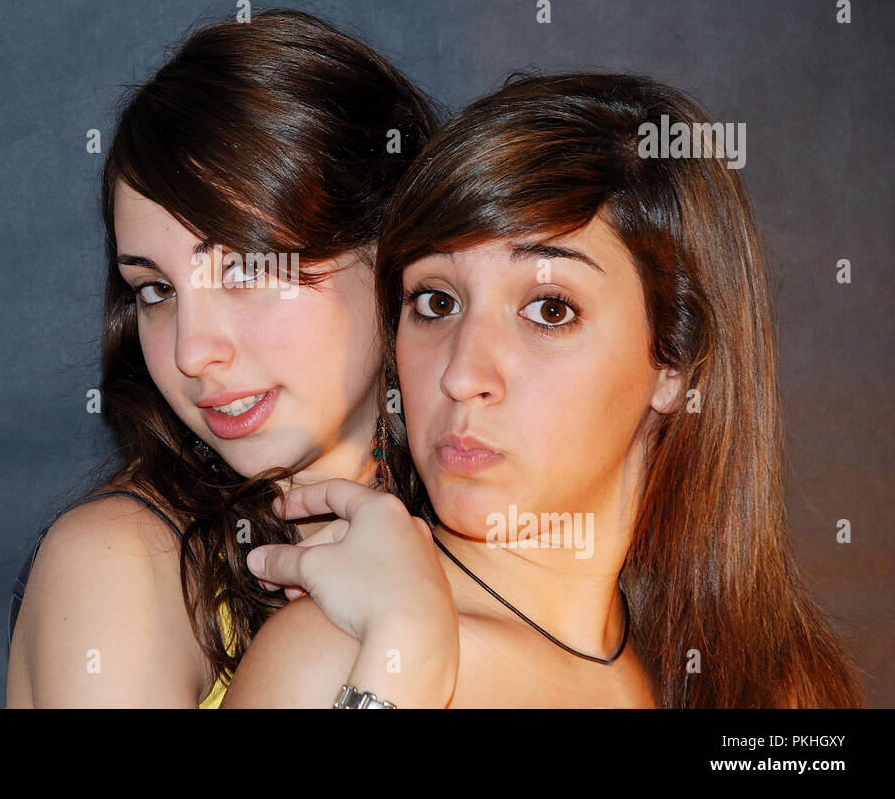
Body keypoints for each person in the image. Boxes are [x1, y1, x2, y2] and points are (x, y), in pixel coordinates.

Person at [230, 72, 867, 708]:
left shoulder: (779, 690)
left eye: (549, 311)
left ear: (676, 362)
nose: (461, 375)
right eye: (436, 301)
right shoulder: (338, 658)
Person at [4, 8, 440, 707]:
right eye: (155, 290)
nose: (191, 351)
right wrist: (398, 660)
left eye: (246, 270)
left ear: (392, 249)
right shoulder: (123, 565)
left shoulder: (494, 537)